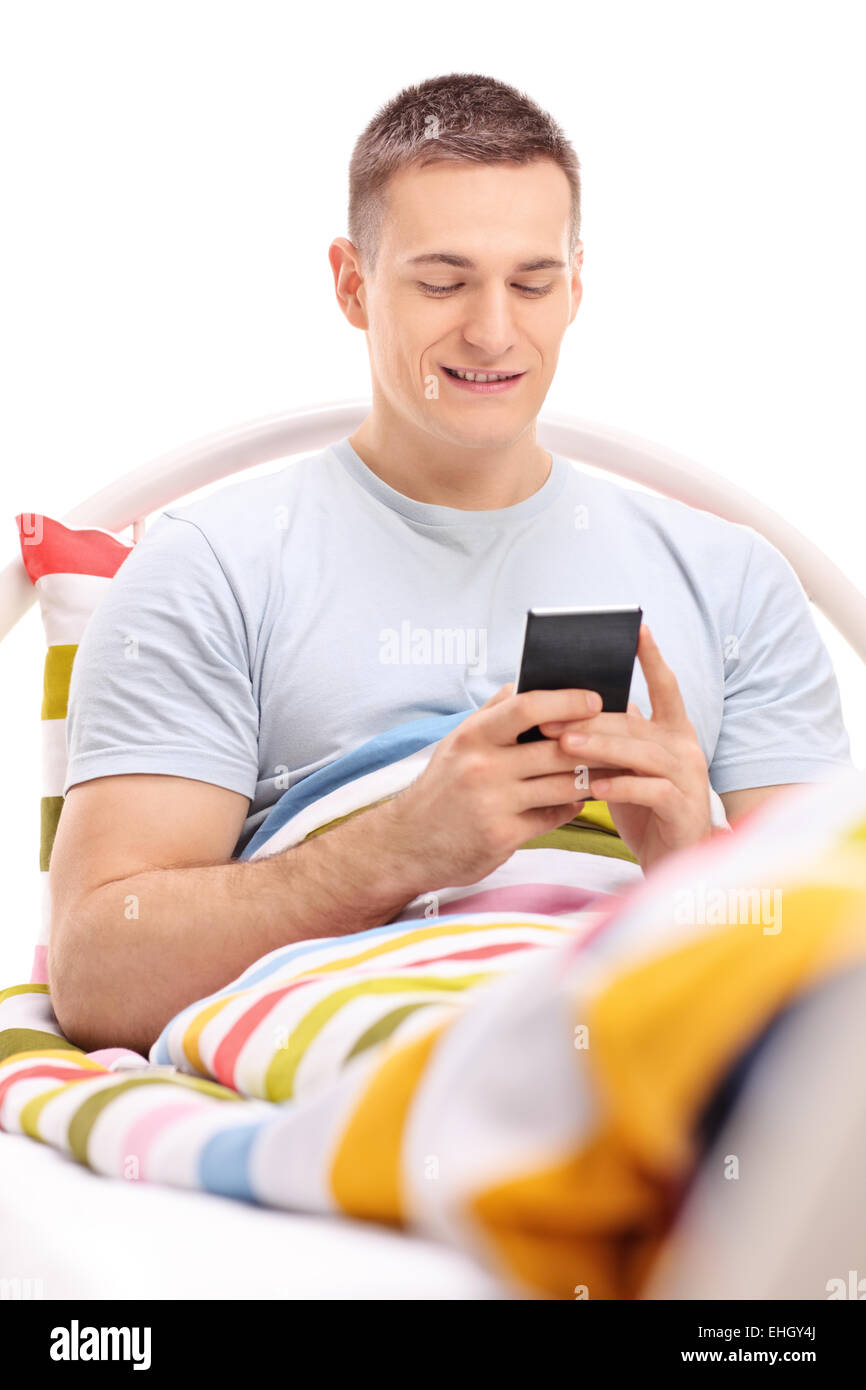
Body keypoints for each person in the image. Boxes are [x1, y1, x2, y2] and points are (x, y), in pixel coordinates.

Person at [49, 73, 853, 1054]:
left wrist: (692, 861)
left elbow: (830, 982)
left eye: (531, 281)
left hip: (654, 1027)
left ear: (577, 284)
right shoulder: (208, 565)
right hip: (366, 1035)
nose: (491, 331)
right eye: (441, 281)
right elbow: (96, 973)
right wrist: (398, 844)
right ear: (351, 284)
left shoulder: (731, 578)